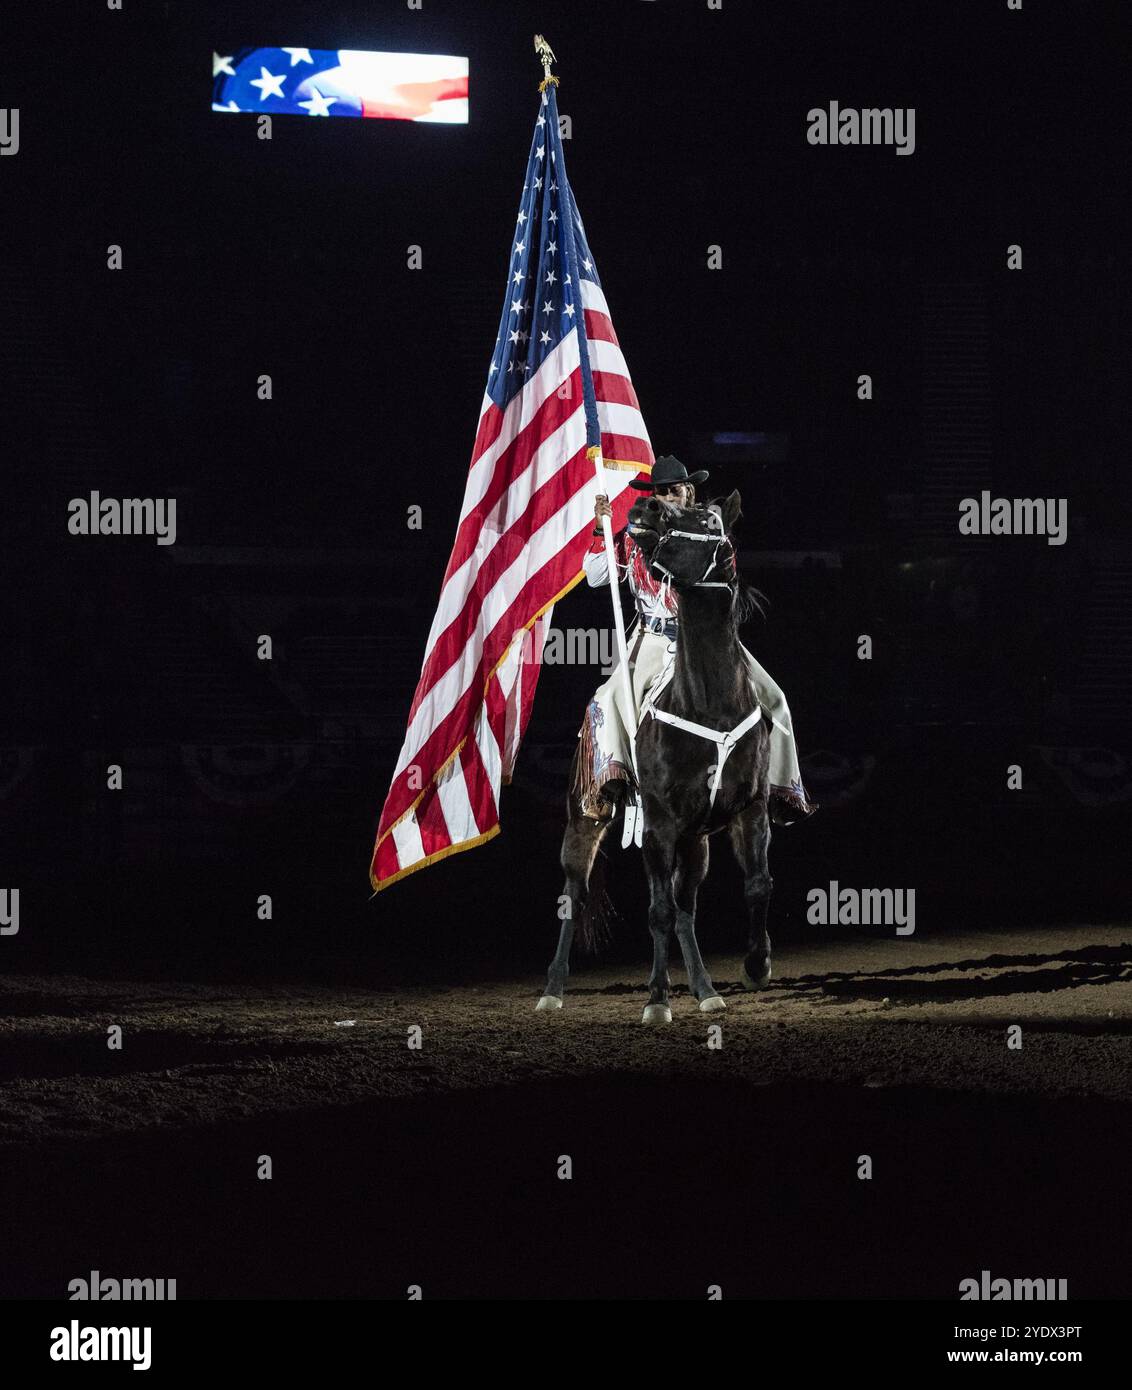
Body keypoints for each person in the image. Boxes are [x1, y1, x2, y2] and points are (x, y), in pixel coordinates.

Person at [576, 454, 817, 826]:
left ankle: (782, 789)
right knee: (606, 699)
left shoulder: (711, 531)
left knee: (777, 699)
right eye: (661, 493)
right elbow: (594, 577)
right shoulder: (636, 535)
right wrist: (601, 529)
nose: (669, 498)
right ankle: (614, 781)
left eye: (675, 491)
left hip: (710, 638)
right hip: (657, 637)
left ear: (688, 492)